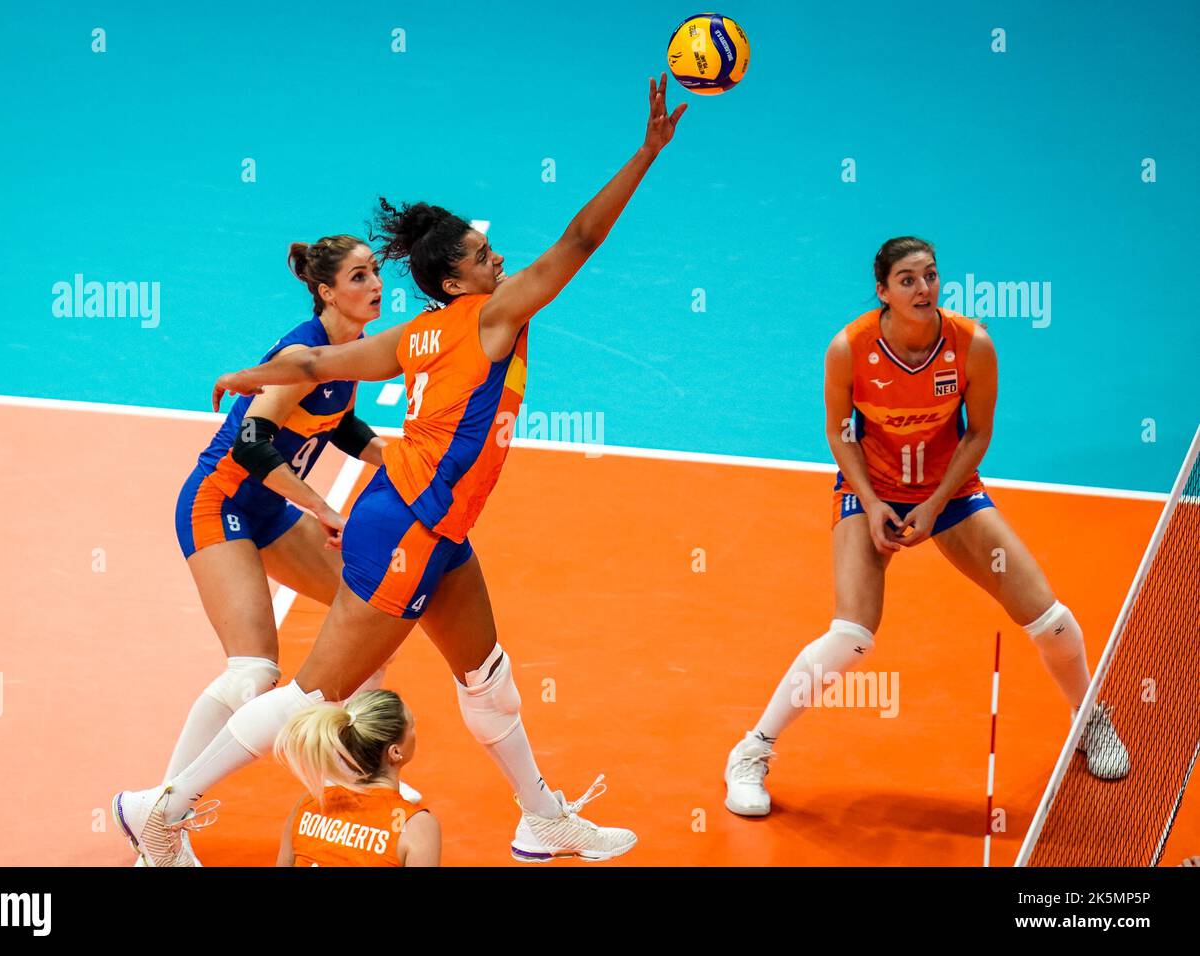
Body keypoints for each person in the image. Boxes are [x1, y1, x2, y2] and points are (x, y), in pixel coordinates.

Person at [113, 74, 686, 865]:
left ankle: (541, 816)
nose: (502, 260)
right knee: (309, 696)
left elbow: (314, 359)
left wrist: (248, 378)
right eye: (486, 257)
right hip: (405, 527)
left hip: (438, 526)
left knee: (486, 675)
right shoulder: (493, 315)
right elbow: (581, 241)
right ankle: (163, 810)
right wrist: (646, 152)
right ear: (457, 283)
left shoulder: (419, 335)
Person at [722, 236, 1130, 817]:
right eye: (908, 279)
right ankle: (751, 751)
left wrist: (936, 504)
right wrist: (871, 500)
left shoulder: (972, 345)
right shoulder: (849, 349)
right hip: (872, 491)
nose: (924, 288)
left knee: (1051, 620)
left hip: (950, 492)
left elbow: (977, 435)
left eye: (931, 276)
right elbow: (841, 435)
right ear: (883, 291)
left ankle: (1088, 715)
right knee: (851, 636)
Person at [128, 236, 401, 866]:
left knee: (373, 614)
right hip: (218, 501)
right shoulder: (302, 350)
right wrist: (326, 509)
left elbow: (340, 424)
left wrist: (398, 459)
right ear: (328, 292)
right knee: (252, 673)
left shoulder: (347, 355)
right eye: (360, 277)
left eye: (376, 273)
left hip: (267, 510)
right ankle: (160, 820)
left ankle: (350, 785)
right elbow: (253, 444)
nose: (375, 285)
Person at [274, 690, 439, 867]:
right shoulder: (416, 826)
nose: (415, 730)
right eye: (412, 725)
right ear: (395, 752)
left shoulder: (309, 804)